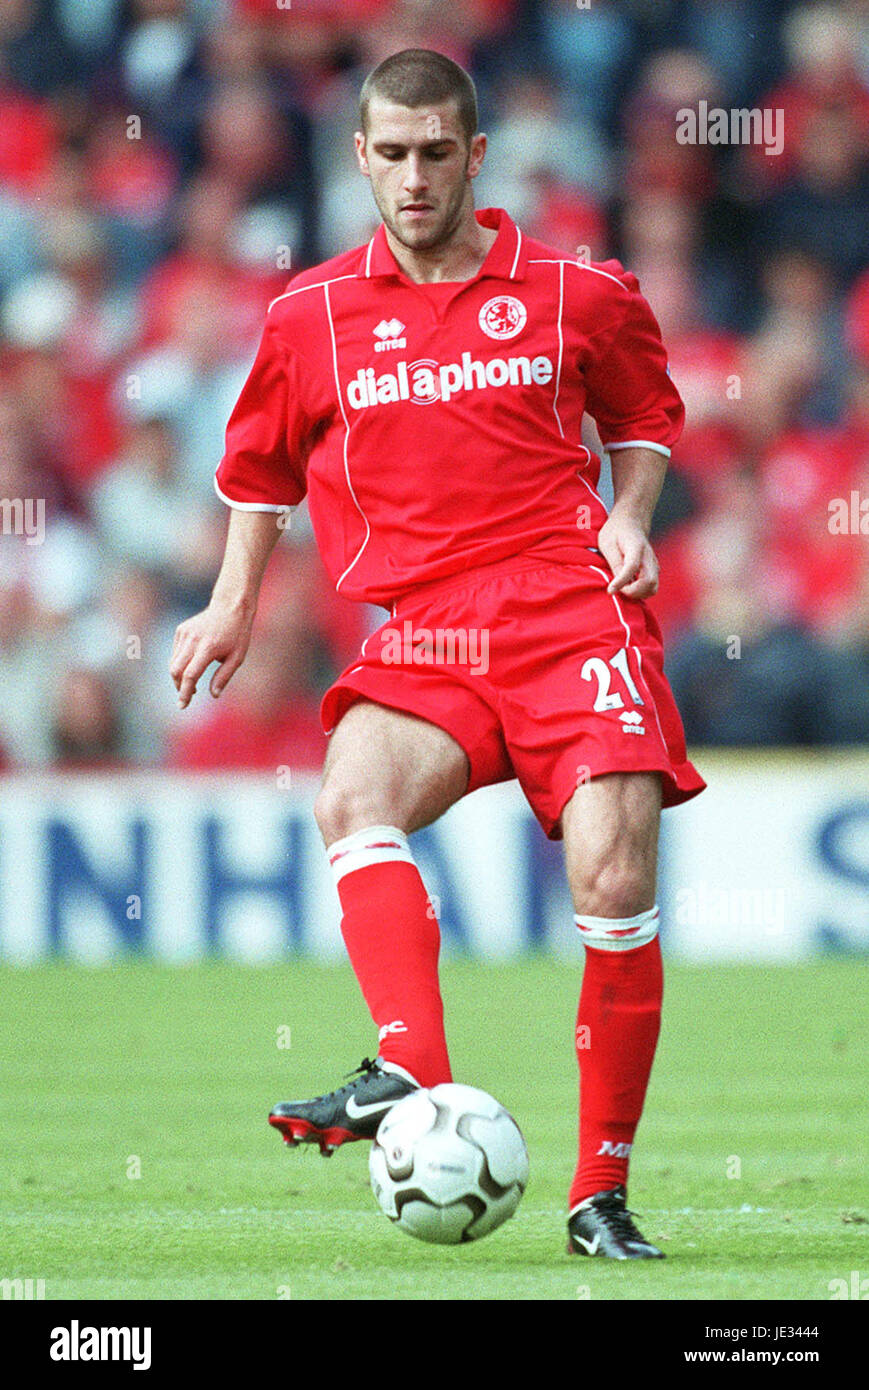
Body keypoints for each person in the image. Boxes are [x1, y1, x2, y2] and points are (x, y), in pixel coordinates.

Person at [170, 48, 705, 1260]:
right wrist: (231, 605)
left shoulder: (576, 292)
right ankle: (407, 1062)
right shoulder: (307, 317)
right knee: (350, 792)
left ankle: (595, 1192)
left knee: (613, 883)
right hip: (429, 627)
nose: (412, 180)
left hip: (572, 608)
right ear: (358, 158)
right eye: (390, 156)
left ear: (475, 156)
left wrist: (628, 519)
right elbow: (257, 472)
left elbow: (643, 416)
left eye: (434, 154)